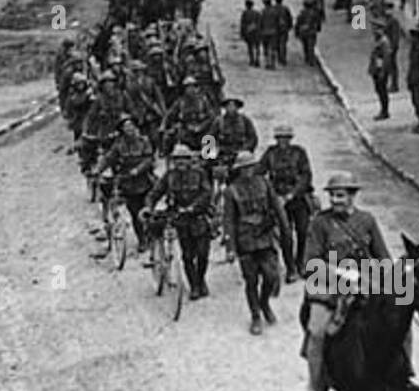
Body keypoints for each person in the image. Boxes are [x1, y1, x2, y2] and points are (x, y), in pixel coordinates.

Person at [299, 170, 419, 391]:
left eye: (341, 196)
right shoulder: (320, 223)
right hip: (329, 286)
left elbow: (383, 258)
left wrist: (391, 282)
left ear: (352, 196)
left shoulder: (367, 221)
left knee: (401, 320)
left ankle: (407, 376)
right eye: (333, 196)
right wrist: (344, 275)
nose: (336, 201)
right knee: (316, 332)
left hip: (367, 283)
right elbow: (309, 264)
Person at [224, 151, 290, 335]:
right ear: (238, 170)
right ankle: (255, 315)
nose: (248, 171)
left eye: (250, 167)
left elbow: (276, 207)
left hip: (265, 236)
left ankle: (264, 302)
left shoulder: (264, 184)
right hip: (245, 239)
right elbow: (228, 220)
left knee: (271, 275)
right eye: (244, 168)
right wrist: (230, 248)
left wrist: (285, 230)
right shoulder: (231, 191)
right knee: (251, 280)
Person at [144, 143, 215, 298]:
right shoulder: (169, 176)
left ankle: (201, 279)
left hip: (199, 217)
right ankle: (194, 285)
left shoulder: (200, 173)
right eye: (177, 160)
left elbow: (207, 193)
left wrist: (194, 207)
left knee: (203, 254)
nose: (180, 163)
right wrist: (149, 206)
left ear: (190, 160)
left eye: (184, 159)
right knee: (187, 255)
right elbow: (155, 193)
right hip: (181, 219)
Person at [95, 114, 156, 260]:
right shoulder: (119, 145)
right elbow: (109, 158)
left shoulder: (144, 141)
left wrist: (139, 169)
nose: (129, 129)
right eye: (126, 126)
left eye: (131, 126)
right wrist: (98, 169)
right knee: (135, 212)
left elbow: (149, 159)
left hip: (144, 180)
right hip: (128, 182)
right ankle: (142, 239)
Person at [260, 124, 314, 282]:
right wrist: (271, 193)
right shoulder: (270, 154)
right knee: (285, 234)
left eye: (286, 138)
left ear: (290, 139)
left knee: (303, 231)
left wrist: (293, 193)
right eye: (280, 138)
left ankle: (301, 263)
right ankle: (291, 268)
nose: (283, 141)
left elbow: (306, 176)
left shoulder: (299, 153)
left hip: (298, 198)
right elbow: (259, 171)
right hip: (279, 200)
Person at [368, 30, 392, 120]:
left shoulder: (384, 43)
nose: (374, 33)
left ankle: (384, 111)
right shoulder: (379, 41)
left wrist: (383, 71)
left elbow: (386, 58)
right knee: (379, 91)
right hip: (376, 70)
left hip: (380, 71)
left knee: (382, 91)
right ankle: (383, 110)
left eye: (376, 30)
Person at [295, 0, 322, 65]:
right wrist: (318, 29)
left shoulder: (302, 13)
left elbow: (298, 23)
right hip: (312, 32)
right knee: (311, 46)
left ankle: (307, 57)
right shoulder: (315, 14)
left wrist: (297, 32)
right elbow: (318, 22)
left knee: (305, 45)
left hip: (303, 32)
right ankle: (311, 59)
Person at [258, 0, 279, 71]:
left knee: (266, 48)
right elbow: (277, 22)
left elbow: (260, 22)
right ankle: (273, 64)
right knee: (273, 49)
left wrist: (259, 31)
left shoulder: (263, 12)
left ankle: (267, 63)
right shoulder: (275, 12)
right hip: (273, 32)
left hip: (265, 32)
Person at [272, 0, 293, 67]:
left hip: (275, 29)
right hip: (284, 28)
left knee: (277, 43)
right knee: (283, 44)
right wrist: (289, 26)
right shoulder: (285, 9)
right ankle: (283, 58)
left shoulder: (273, 8)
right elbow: (289, 18)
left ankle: (279, 57)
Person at [384, 9, 403, 92]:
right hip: (388, 47)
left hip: (391, 48)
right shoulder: (388, 21)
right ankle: (392, 84)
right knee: (390, 67)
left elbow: (395, 35)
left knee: (392, 67)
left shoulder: (393, 22)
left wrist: (392, 47)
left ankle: (394, 85)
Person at [239, 0, 262, 66]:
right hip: (257, 32)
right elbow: (260, 22)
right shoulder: (257, 13)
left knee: (250, 47)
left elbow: (243, 24)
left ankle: (252, 60)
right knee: (257, 47)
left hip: (249, 32)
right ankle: (257, 59)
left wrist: (242, 33)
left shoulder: (245, 13)